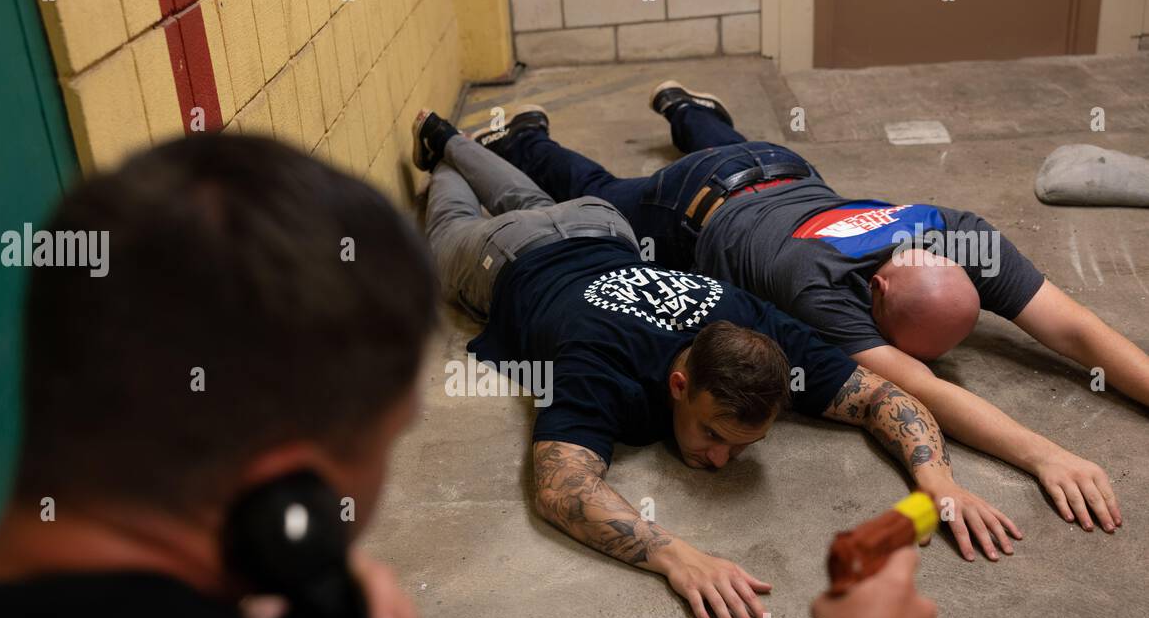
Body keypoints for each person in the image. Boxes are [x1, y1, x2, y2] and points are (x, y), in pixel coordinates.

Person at [0, 134, 942, 618]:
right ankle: (462, 151)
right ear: (293, 487)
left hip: (569, 237)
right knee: (465, 213)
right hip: (549, 243)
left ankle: (467, 146)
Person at [413, 109, 1013, 618]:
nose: (720, 459)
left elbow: (883, 397)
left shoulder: (756, 327)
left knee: (534, 203)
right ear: (680, 385)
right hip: (511, 255)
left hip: (600, 222)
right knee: (447, 234)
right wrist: (676, 557)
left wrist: (937, 481)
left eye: (740, 444)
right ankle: (442, 157)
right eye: (715, 434)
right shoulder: (601, 365)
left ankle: (452, 138)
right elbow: (559, 488)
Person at [479, 82, 1143, 539]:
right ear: (875, 296)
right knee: (598, 191)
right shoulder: (817, 291)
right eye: (902, 342)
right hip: (688, 206)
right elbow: (924, 392)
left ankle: (685, 107)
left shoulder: (957, 229)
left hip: (778, 166)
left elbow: (1077, 329)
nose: (921, 358)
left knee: (732, 145)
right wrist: (1046, 456)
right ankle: (525, 139)